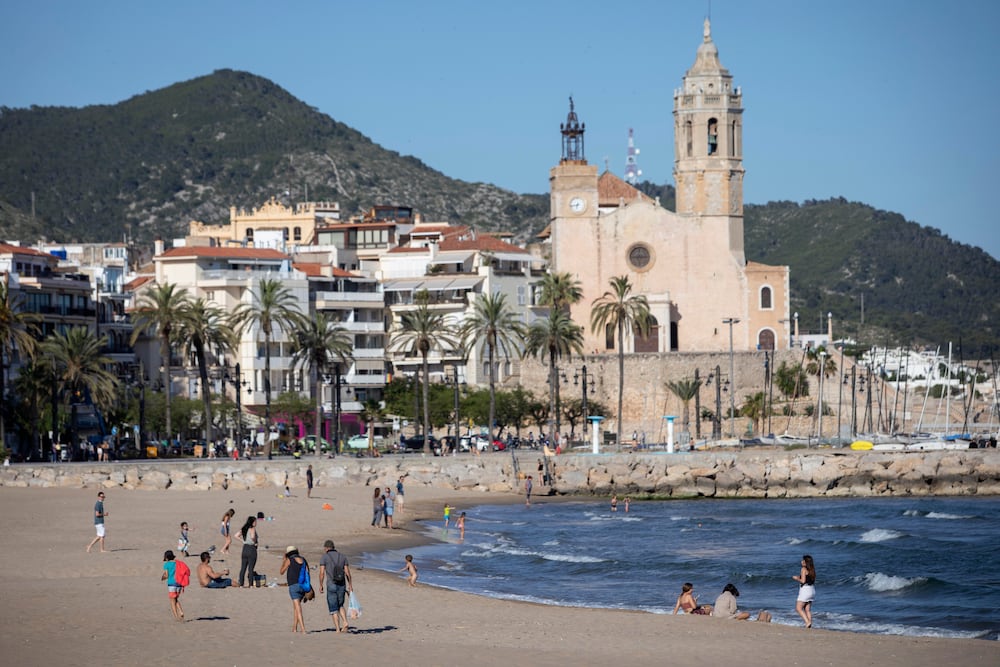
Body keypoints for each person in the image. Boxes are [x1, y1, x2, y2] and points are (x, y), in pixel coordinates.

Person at [318, 539, 352, 633]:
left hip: (331, 584)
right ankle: (345, 621)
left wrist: (320, 585)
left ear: (326, 548)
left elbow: (321, 573)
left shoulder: (324, 557)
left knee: (333, 608)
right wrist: (350, 585)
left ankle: (337, 629)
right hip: (342, 584)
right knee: (340, 605)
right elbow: (347, 573)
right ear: (333, 547)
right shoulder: (342, 556)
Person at [279, 546, 308, 633]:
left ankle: (303, 629)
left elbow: (281, 572)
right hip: (303, 585)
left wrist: (284, 560)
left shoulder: (289, 560)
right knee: (296, 607)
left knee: (297, 607)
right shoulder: (303, 559)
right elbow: (307, 572)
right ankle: (294, 628)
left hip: (294, 585)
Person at [793, 554, 816, 628]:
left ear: (806, 562)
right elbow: (808, 579)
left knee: (798, 608)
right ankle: (809, 624)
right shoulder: (812, 569)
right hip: (812, 590)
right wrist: (799, 577)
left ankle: (807, 622)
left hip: (805, 590)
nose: (802, 561)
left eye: (803, 560)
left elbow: (803, 581)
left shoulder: (803, 569)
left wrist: (797, 578)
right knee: (807, 610)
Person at [161, 550, 185, 621]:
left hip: (171, 584)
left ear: (166, 558)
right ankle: (181, 611)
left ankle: (176, 617)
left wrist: (163, 578)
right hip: (179, 584)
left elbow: (167, 575)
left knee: (172, 601)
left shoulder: (166, 564)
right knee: (176, 599)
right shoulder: (177, 563)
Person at [237, 515, 258, 588]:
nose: (256, 523)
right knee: (250, 568)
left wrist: (243, 541)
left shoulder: (244, 528)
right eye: (255, 521)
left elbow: (236, 535)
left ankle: (241, 584)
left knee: (243, 567)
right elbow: (252, 537)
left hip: (245, 548)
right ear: (252, 522)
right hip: (251, 548)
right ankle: (251, 584)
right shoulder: (252, 529)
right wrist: (255, 541)